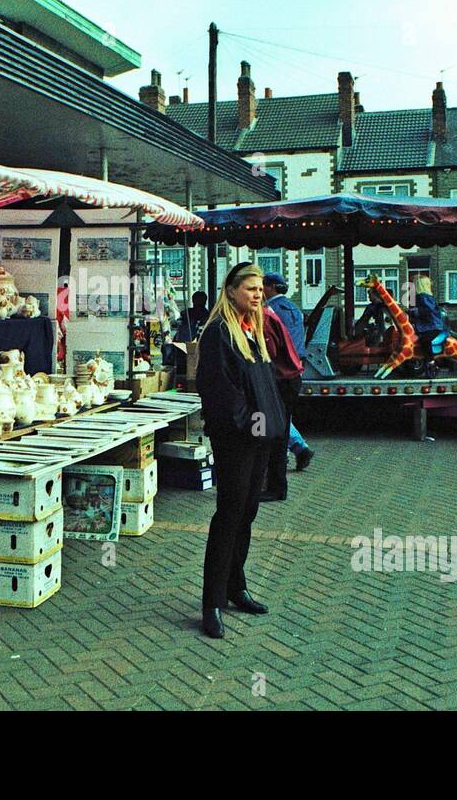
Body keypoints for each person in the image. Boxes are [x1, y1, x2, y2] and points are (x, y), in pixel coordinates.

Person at [194, 262, 287, 639]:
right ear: (231, 291)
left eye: (260, 288)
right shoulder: (219, 332)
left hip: (257, 437)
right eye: (250, 288)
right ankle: (212, 602)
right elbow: (221, 391)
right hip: (235, 439)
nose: (258, 294)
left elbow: (264, 386)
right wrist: (252, 426)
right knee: (230, 514)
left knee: (248, 510)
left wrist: (265, 429)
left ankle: (236, 586)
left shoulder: (254, 329)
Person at [262, 272, 314, 472]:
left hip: (279, 368)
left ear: (271, 287)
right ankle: (298, 449)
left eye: (263, 286)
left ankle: (287, 454)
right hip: (296, 365)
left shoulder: (271, 311)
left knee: (274, 413)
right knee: (283, 412)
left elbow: (273, 344)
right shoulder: (294, 308)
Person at [259, 305, 303, 502]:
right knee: (276, 433)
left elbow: (268, 354)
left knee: (276, 435)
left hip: (283, 380)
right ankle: (274, 485)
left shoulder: (263, 319)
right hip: (284, 379)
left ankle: (276, 488)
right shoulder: (266, 314)